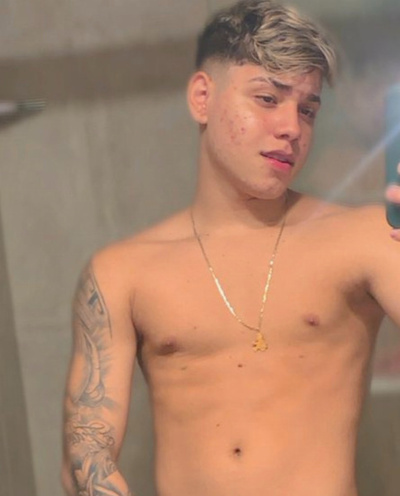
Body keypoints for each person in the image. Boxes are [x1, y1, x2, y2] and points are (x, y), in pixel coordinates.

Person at [61, 1, 400, 495]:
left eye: (307, 110)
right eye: (267, 98)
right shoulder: (122, 272)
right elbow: (86, 452)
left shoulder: (365, 239)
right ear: (203, 98)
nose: (291, 127)